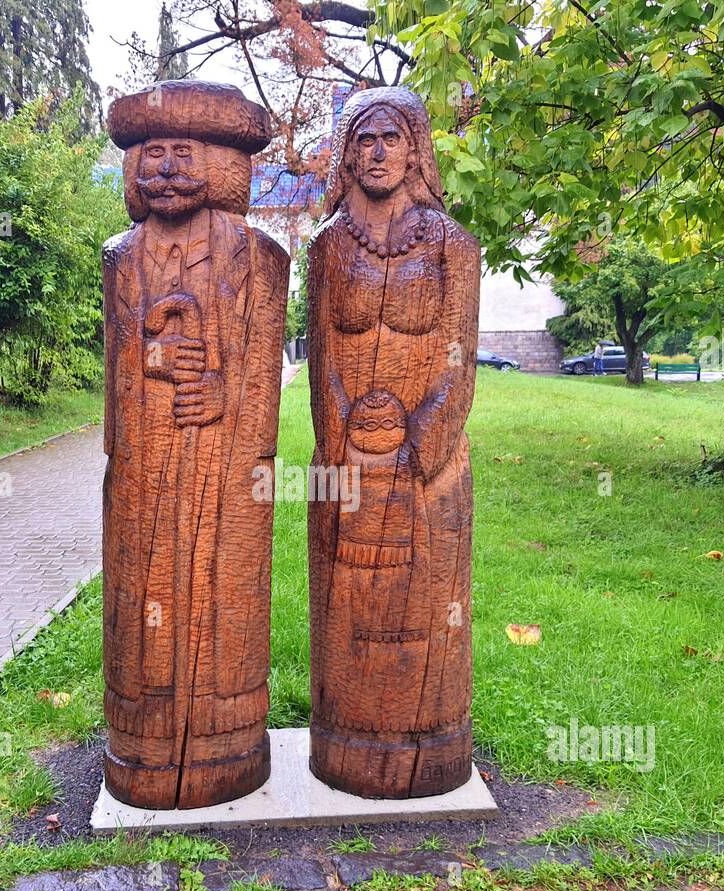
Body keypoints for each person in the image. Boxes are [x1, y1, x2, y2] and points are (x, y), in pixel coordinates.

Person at [100, 82, 289, 809]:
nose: (166, 169)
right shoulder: (123, 259)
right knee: (144, 585)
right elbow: (117, 374)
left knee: (222, 584)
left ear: (220, 163)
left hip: (224, 465)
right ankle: (145, 736)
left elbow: (266, 373)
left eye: (184, 153)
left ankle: (227, 733)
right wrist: (150, 360)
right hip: (146, 463)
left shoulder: (257, 257)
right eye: (151, 154)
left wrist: (226, 396)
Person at [306, 87, 480, 798]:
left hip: (428, 468)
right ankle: (343, 736)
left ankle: (426, 744)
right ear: (348, 154)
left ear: (416, 150)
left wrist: (416, 450)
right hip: (345, 462)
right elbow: (320, 357)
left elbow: (458, 359)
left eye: (390, 138)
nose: (376, 152)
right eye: (364, 140)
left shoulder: (453, 247)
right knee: (347, 613)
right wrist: (346, 444)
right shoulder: (325, 247)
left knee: (425, 616)